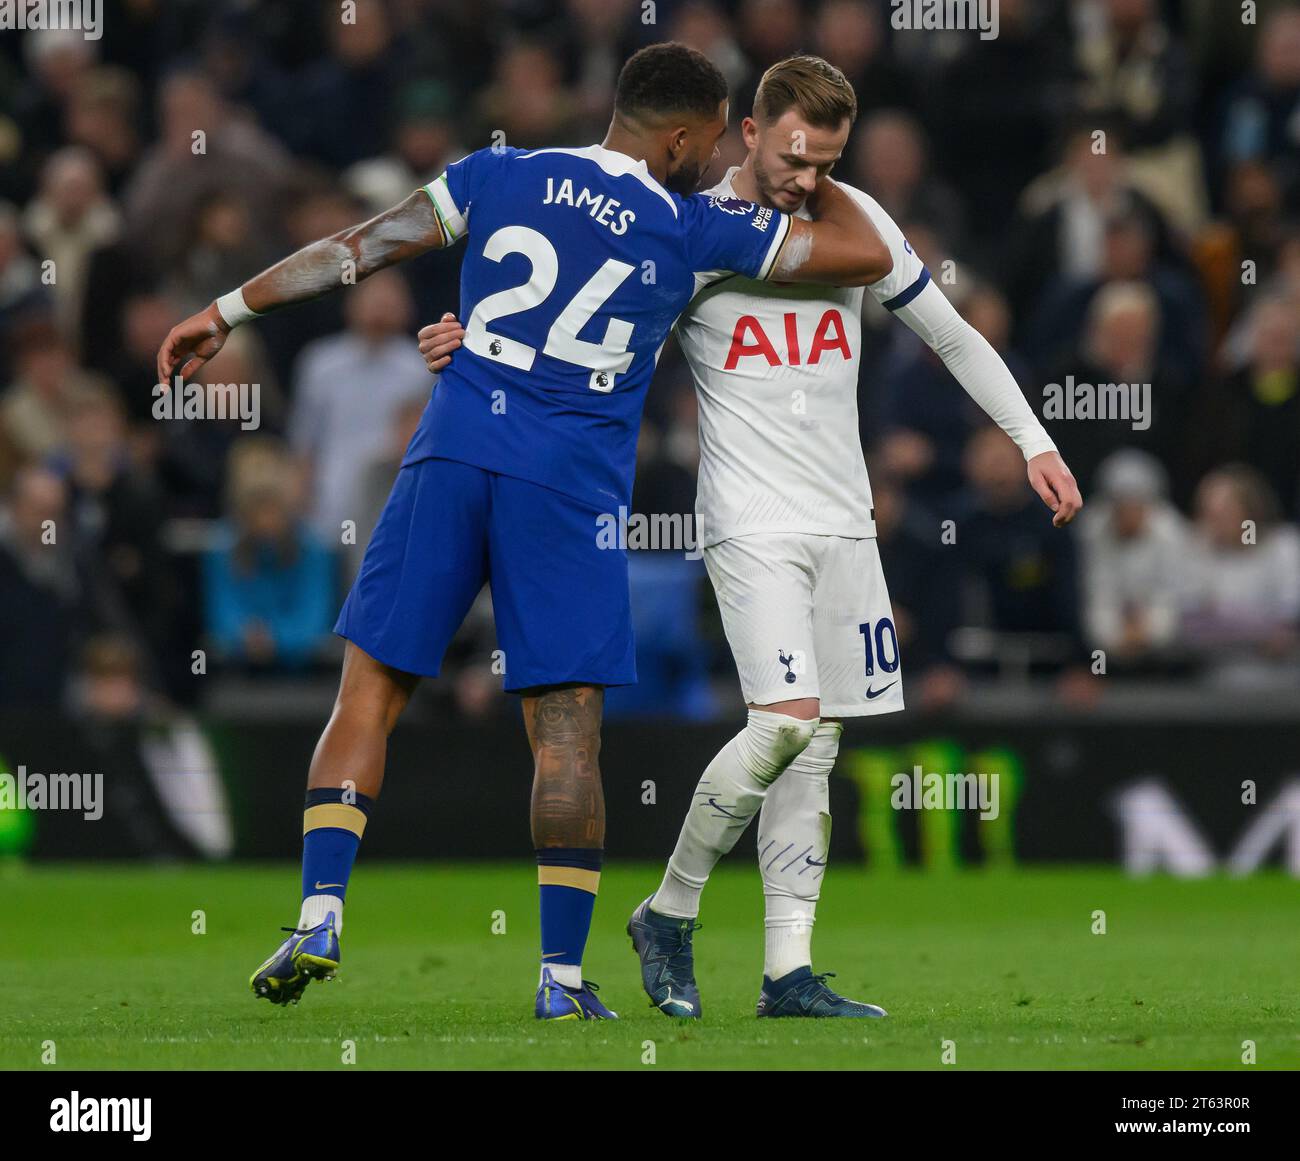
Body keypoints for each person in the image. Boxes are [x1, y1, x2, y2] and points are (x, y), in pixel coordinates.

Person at [156, 41, 894, 1020]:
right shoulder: (685, 230)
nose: (718, 161)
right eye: (712, 141)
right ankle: (557, 979)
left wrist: (226, 309)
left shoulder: (499, 172)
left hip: (452, 447)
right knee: (565, 735)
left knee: (368, 691)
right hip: (566, 489)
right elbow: (866, 255)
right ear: (679, 137)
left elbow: (358, 250)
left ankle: (322, 909)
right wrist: (813, 170)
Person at [421, 56, 1081, 1019]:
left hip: (845, 518)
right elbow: (585, 335)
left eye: (826, 160)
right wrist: (474, 343)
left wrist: (1033, 442)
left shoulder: (855, 223)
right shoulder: (688, 236)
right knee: (782, 724)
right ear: (749, 131)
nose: (807, 177)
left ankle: (788, 972)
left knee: (816, 749)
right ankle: (670, 908)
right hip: (748, 519)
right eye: (794, 154)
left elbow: (951, 333)